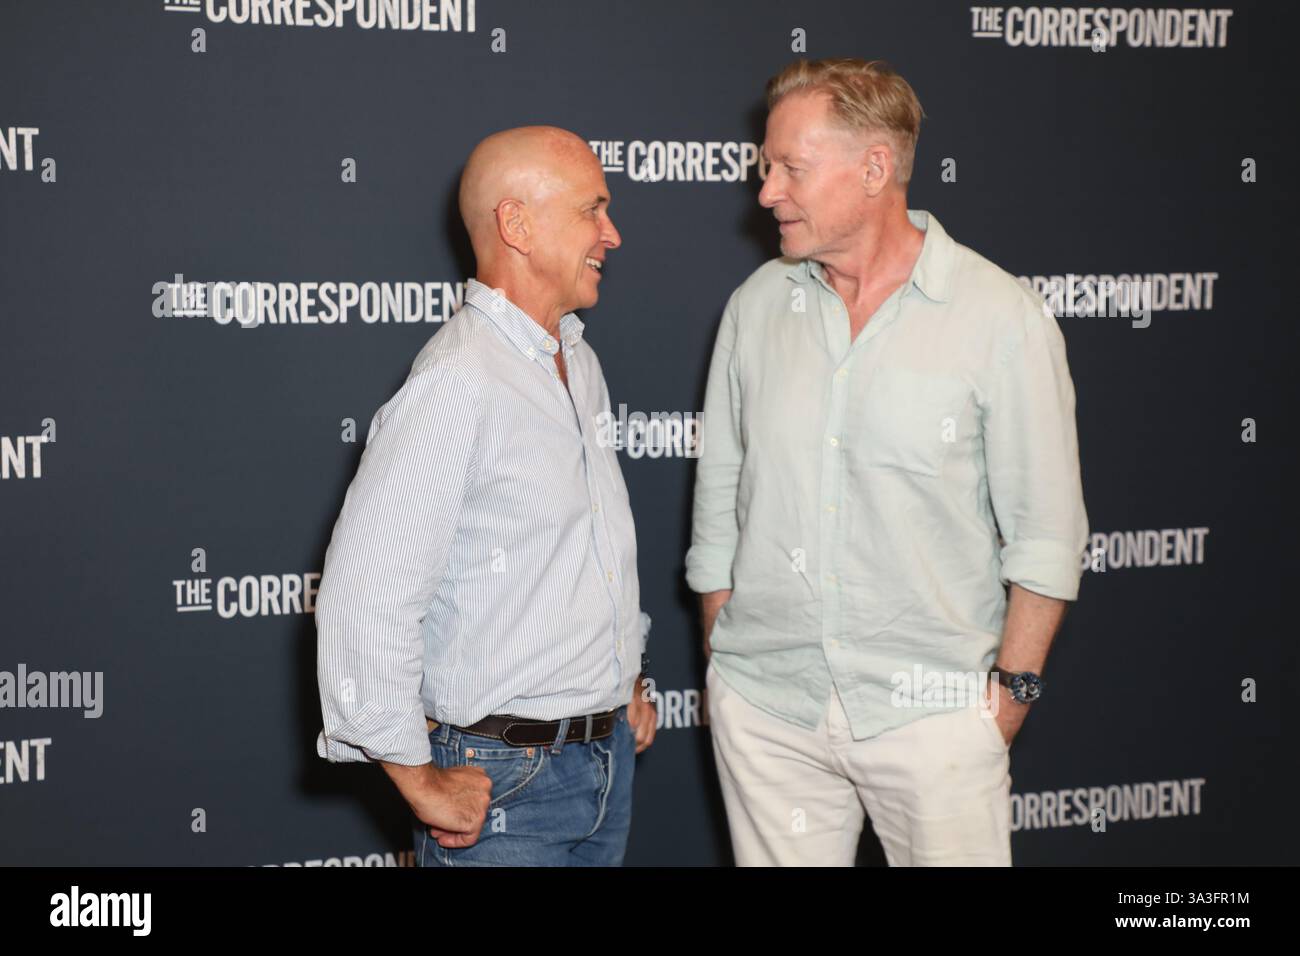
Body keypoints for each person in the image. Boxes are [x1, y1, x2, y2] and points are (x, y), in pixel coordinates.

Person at [686, 58, 1088, 866]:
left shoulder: (1000, 318)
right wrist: (726, 649)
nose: (766, 192)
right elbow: (720, 500)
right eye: (767, 167)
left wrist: (1006, 706)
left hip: (935, 721)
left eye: (790, 168)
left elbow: (1048, 538)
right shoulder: (756, 308)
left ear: (876, 168)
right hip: (769, 713)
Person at [315, 125, 656, 867]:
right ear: (517, 224)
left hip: (605, 762)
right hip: (505, 783)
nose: (613, 233)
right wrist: (415, 778)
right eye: (592, 210)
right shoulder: (458, 379)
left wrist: (624, 675)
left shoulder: (578, 357)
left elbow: (585, 547)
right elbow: (365, 594)